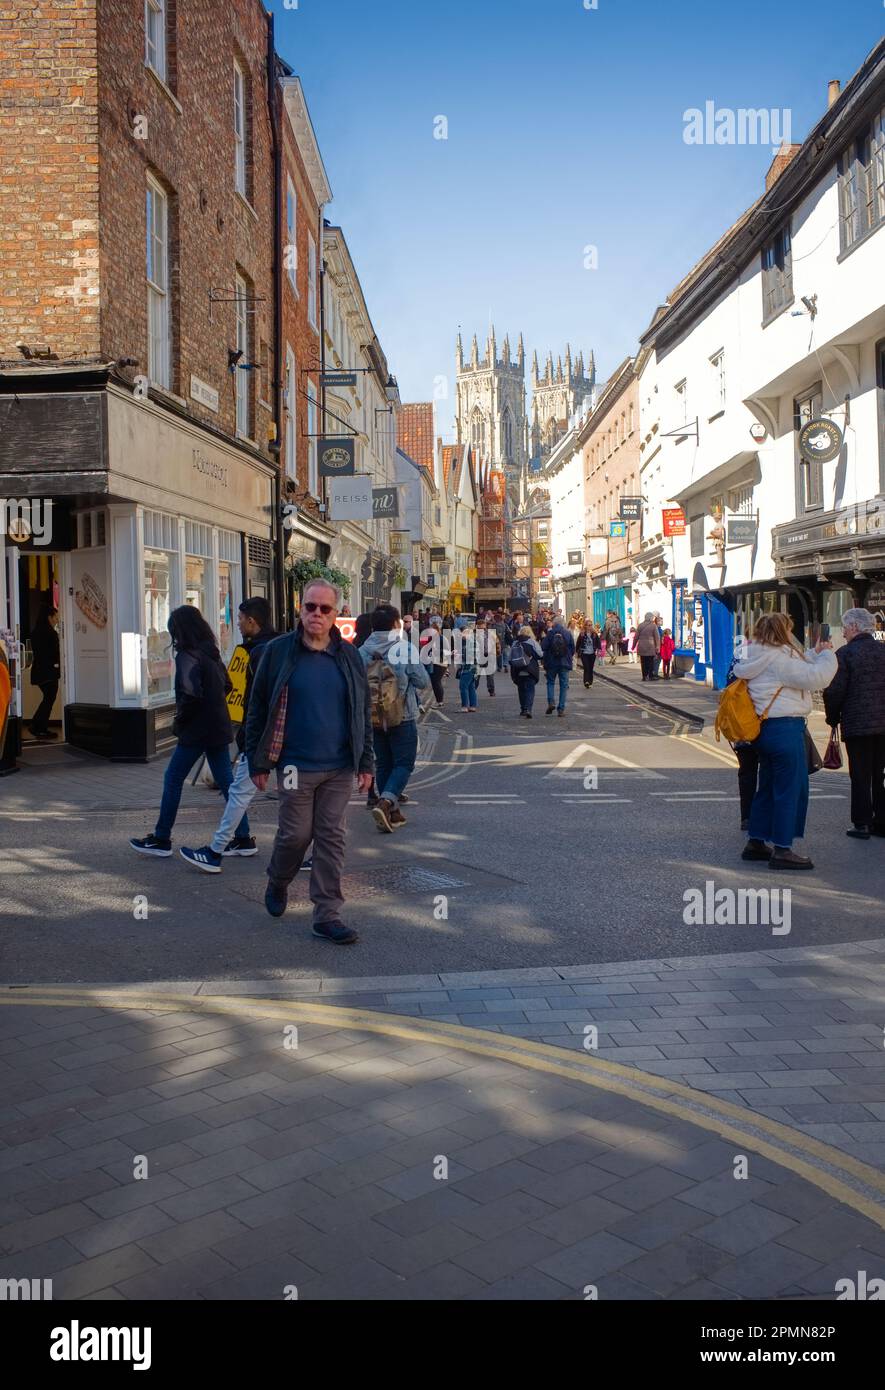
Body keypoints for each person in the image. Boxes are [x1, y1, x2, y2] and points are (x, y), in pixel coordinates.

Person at [245, 579, 374, 943]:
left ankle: (326, 914)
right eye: (309, 607)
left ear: (336, 615)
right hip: (292, 766)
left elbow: (362, 711)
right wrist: (257, 761)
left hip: (338, 766)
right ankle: (279, 878)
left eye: (324, 609)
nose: (316, 614)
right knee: (295, 835)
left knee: (332, 836)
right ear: (300, 609)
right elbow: (257, 707)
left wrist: (366, 763)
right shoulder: (278, 652)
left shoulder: (348, 656)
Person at [131, 606, 250, 857]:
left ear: (179, 630)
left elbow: (189, 693)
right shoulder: (211, 652)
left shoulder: (187, 656)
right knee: (227, 782)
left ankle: (162, 838)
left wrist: (181, 721)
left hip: (197, 729)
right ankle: (243, 838)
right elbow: (227, 685)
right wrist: (213, 705)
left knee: (173, 778)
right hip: (218, 725)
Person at [179, 597, 278, 873]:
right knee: (297, 798)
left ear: (252, 621)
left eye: (240, 618)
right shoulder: (277, 646)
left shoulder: (259, 653)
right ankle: (241, 843)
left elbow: (258, 701)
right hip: (285, 736)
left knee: (238, 793)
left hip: (262, 737)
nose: (237, 624)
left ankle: (215, 852)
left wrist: (248, 735)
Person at [733, 612, 836, 870]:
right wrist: (827, 655)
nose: (792, 634)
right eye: (789, 630)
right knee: (790, 789)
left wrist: (813, 653)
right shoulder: (778, 659)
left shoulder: (755, 653)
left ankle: (755, 843)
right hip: (786, 729)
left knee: (767, 788)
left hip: (764, 731)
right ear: (782, 632)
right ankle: (782, 849)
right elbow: (816, 677)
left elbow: (797, 666)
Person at [358, 603, 429, 833]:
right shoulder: (404, 648)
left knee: (384, 763)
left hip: (373, 717)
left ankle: (393, 813)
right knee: (404, 763)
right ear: (396, 624)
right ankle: (386, 801)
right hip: (402, 715)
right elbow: (422, 681)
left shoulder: (361, 651)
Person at [823, 607, 885, 839]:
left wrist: (832, 717)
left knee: (861, 775)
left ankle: (862, 823)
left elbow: (834, 691)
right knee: (880, 774)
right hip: (883, 726)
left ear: (855, 627)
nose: (845, 633)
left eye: (846, 627)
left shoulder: (846, 654)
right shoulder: (883, 651)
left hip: (858, 725)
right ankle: (882, 821)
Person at [28, 601, 60, 739]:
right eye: (55, 617)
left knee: (47, 699)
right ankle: (39, 727)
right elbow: (54, 653)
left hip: (38, 671)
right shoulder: (51, 633)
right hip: (49, 672)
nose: (57, 620)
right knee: (49, 699)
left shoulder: (35, 632)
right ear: (49, 617)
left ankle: (37, 725)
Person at [542, 616, 575, 717]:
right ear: (563, 624)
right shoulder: (567, 633)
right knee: (563, 686)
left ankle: (551, 702)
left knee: (550, 682)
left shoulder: (550, 633)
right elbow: (573, 649)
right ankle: (561, 709)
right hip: (564, 663)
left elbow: (543, 647)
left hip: (551, 663)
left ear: (554, 624)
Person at [509, 624, 543, 717]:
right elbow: (540, 655)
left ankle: (523, 709)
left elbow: (510, 658)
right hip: (530, 669)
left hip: (517, 670)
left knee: (521, 690)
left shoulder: (515, 643)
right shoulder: (532, 642)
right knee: (530, 690)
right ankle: (528, 709)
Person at [635, 612, 661, 681]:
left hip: (642, 646)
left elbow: (636, 637)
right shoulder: (653, 626)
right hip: (651, 646)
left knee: (643, 662)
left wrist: (633, 645)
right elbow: (657, 637)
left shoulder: (640, 625)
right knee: (650, 662)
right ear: (651, 618)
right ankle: (650, 676)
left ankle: (644, 676)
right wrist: (658, 647)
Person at [576, 620, 601, 688]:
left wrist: (599, 649)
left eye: (591, 625)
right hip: (584, 653)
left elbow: (598, 642)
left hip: (592, 653)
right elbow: (578, 643)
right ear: (585, 626)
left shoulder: (594, 634)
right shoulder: (582, 634)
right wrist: (576, 652)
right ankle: (586, 681)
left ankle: (590, 682)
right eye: (588, 625)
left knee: (591, 668)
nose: (590, 626)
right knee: (586, 667)